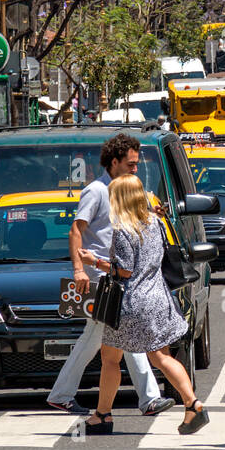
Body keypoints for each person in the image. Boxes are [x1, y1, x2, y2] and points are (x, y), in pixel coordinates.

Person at [47, 134, 170, 418]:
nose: (135, 169)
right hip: (101, 276)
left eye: (136, 164)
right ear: (113, 162)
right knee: (124, 334)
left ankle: (61, 394)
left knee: (103, 337)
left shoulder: (122, 191)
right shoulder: (97, 191)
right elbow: (76, 230)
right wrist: (78, 269)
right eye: (130, 164)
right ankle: (149, 399)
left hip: (115, 275)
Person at [91, 175, 208, 436]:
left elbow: (124, 270)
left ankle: (102, 415)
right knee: (161, 356)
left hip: (131, 303)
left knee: (110, 359)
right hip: (158, 298)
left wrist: (95, 261)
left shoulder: (123, 229)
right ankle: (192, 404)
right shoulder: (154, 222)